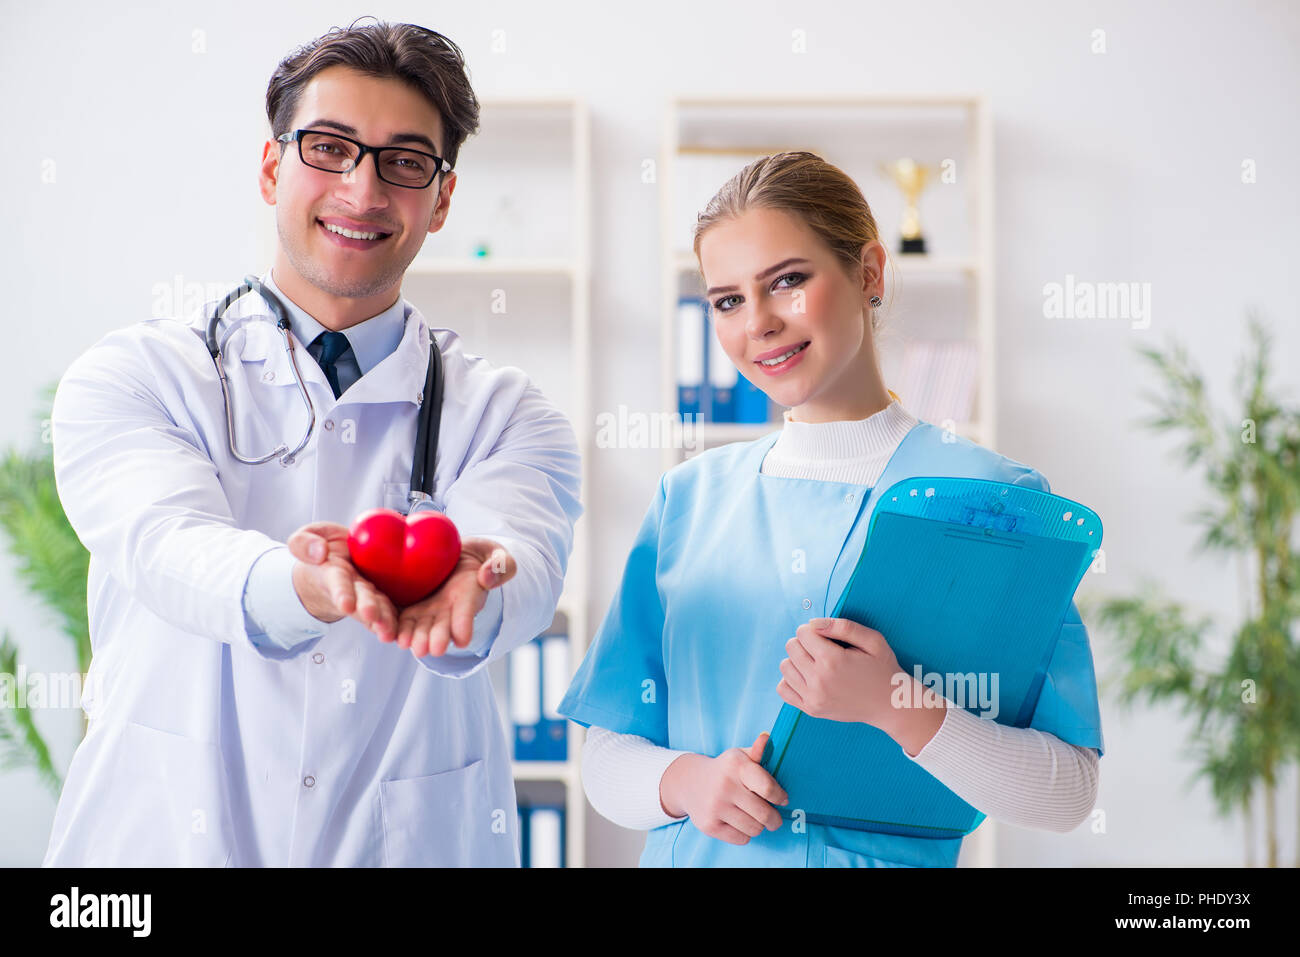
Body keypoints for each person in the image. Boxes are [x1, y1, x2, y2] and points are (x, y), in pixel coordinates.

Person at [43, 20, 582, 867]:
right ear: (272, 168)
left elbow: (525, 559)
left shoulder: (508, 415)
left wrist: (481, 593)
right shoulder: (136, 376)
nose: (363, 190)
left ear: (441, 200)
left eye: (405, 161)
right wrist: (302, 586)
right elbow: (166, 544)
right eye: (330, 147)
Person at [558, 151, 1102, 867]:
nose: (758, 323)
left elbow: (1068, 792)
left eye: (787, 281)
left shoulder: (994, 506)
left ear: (870, 273)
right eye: (726, 299)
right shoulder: (690, 499)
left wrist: (894, 703)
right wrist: (688, 782)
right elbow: (605, 753)